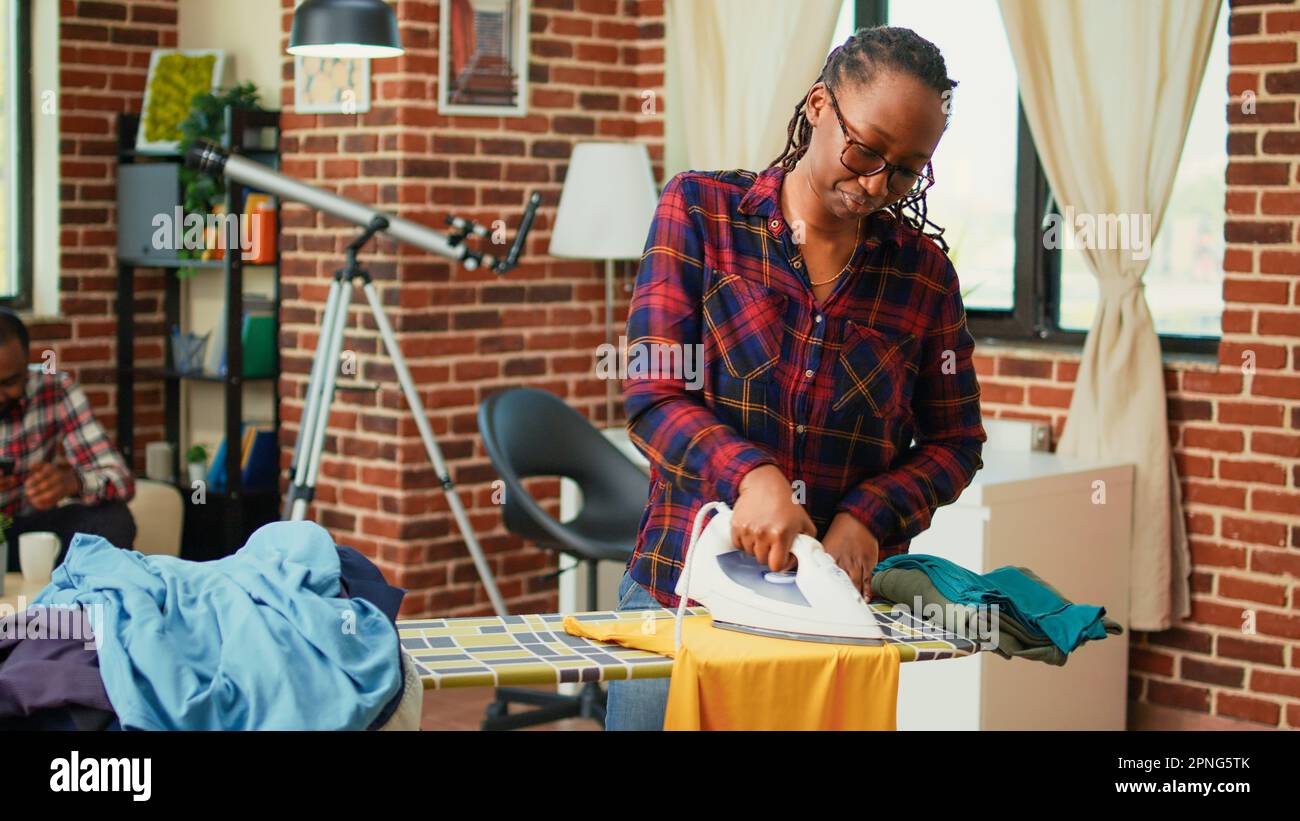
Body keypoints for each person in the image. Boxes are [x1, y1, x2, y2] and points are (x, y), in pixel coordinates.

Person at [608, 26, 987, 730]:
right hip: (679, 600)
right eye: (865, 150)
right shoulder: (701, 213)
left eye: (905, 172)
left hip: (830, 622)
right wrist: (752, 478)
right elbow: (654, 396)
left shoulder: (923, 276)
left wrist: (868, 515)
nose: (875, 186)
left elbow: (956, 443)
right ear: (818, 106)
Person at [0, 309, 136, 570]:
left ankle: (88, 594)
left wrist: (72, 482)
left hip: (33, 531)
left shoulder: (54, 389)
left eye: (10, 382)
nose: (1, 395)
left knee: (114, 518)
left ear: (26, 365)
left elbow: (121, 479)